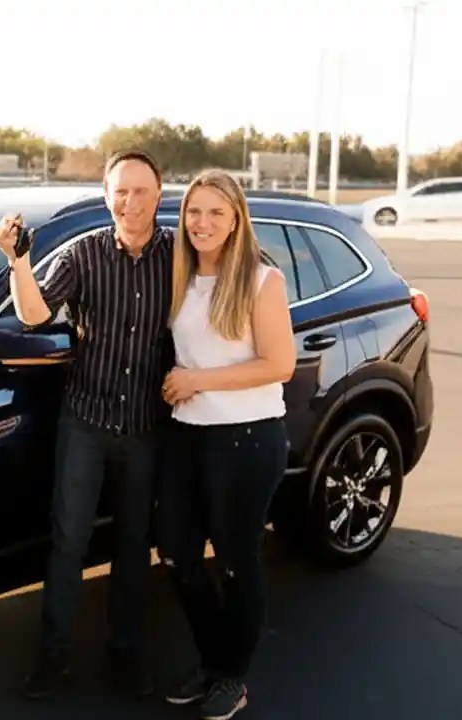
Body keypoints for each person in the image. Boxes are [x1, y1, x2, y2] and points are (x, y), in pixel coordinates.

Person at [0, 149, 175, 700]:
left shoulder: (181, 255)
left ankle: (126, 656)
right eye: (120, 191)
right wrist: (17, 261)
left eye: (141, 191)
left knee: (132, 544)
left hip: (147, 426)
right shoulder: (85, 254)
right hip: (87, 423)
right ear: (107, 196)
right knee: (68, 543)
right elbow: (33, 314)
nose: (130, 202)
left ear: (158, 197)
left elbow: (229, 286)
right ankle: (54, 660)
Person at [157, 169, 296, 720]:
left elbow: (279, 364)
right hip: (186, 437)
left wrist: (198, 380)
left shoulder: (262, 281)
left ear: (237, 218)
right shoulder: (181, 275)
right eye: (194, 211)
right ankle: (213, 661)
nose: (203, 222)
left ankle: (232, 676)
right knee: (177, 553)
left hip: (246, 439)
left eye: (216, 212)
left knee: (237, 562)